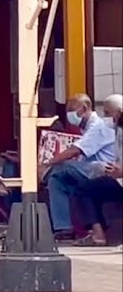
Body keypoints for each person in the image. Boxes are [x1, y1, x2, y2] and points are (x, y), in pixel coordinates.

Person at [42, 93, 119, 240]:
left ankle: (40, 175)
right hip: (88, 170)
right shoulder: (86, 129)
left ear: (85, 108)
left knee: (62, 167)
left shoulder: (99, 126)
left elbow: (74, 151)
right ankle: (63, 228)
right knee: (57, 181)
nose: (69, 115)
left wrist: (46, 164)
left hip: (103, 170)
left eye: (72, 110)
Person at [78, 94, 123, 246]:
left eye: (108, 113)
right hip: (117, 178)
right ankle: (98, 233)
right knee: (87, 188)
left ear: (119, 112)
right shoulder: (117, 131)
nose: (106, 118)